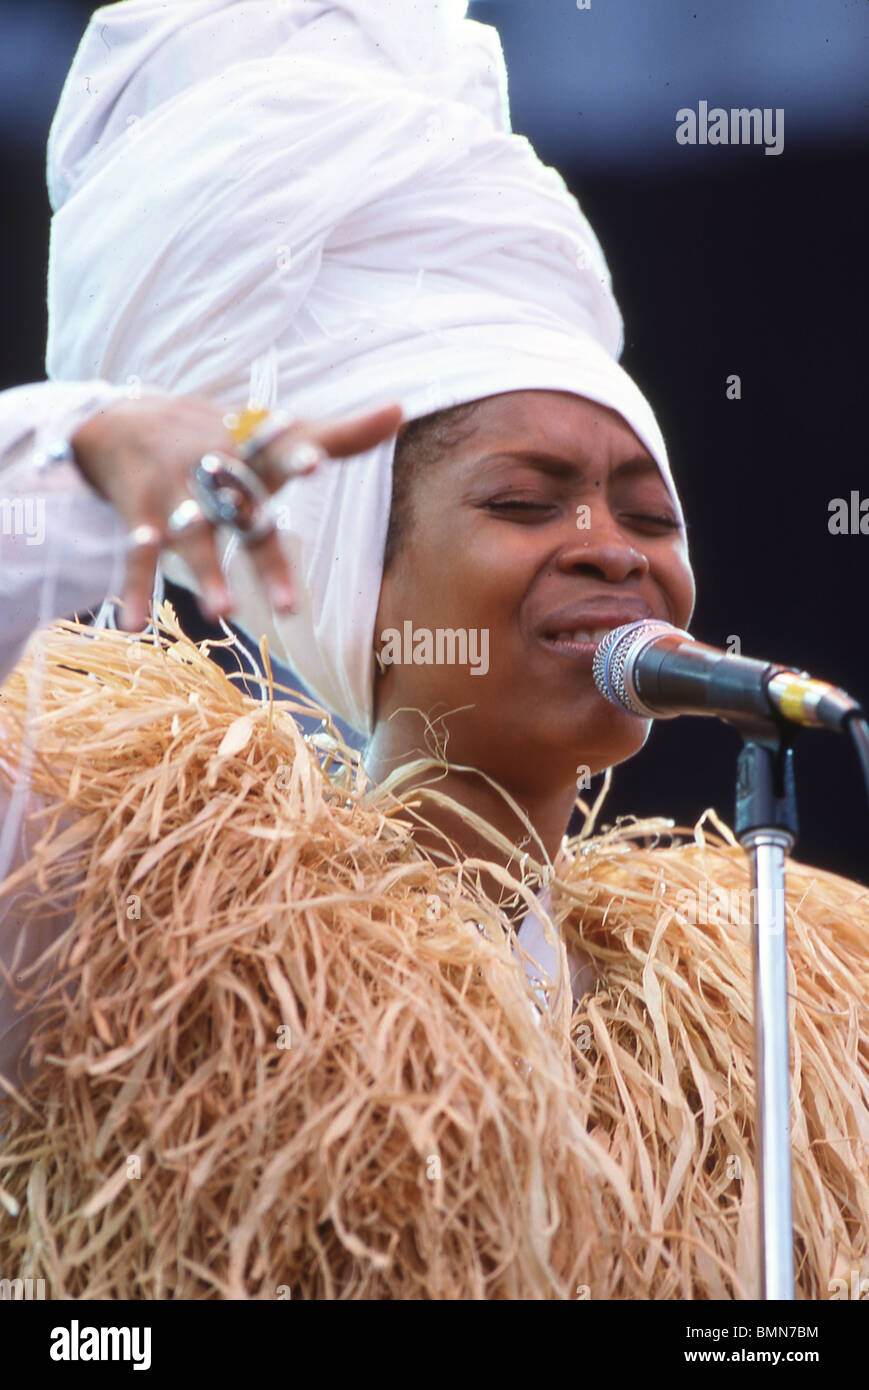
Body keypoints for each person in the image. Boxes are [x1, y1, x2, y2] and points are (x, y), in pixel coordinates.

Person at [0, 0, 865, 1300]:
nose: (610, 547)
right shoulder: (144, 897)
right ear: (368, 571)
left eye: (647, 511)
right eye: (525, 502)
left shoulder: (777, 1001)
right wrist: (79, 459)